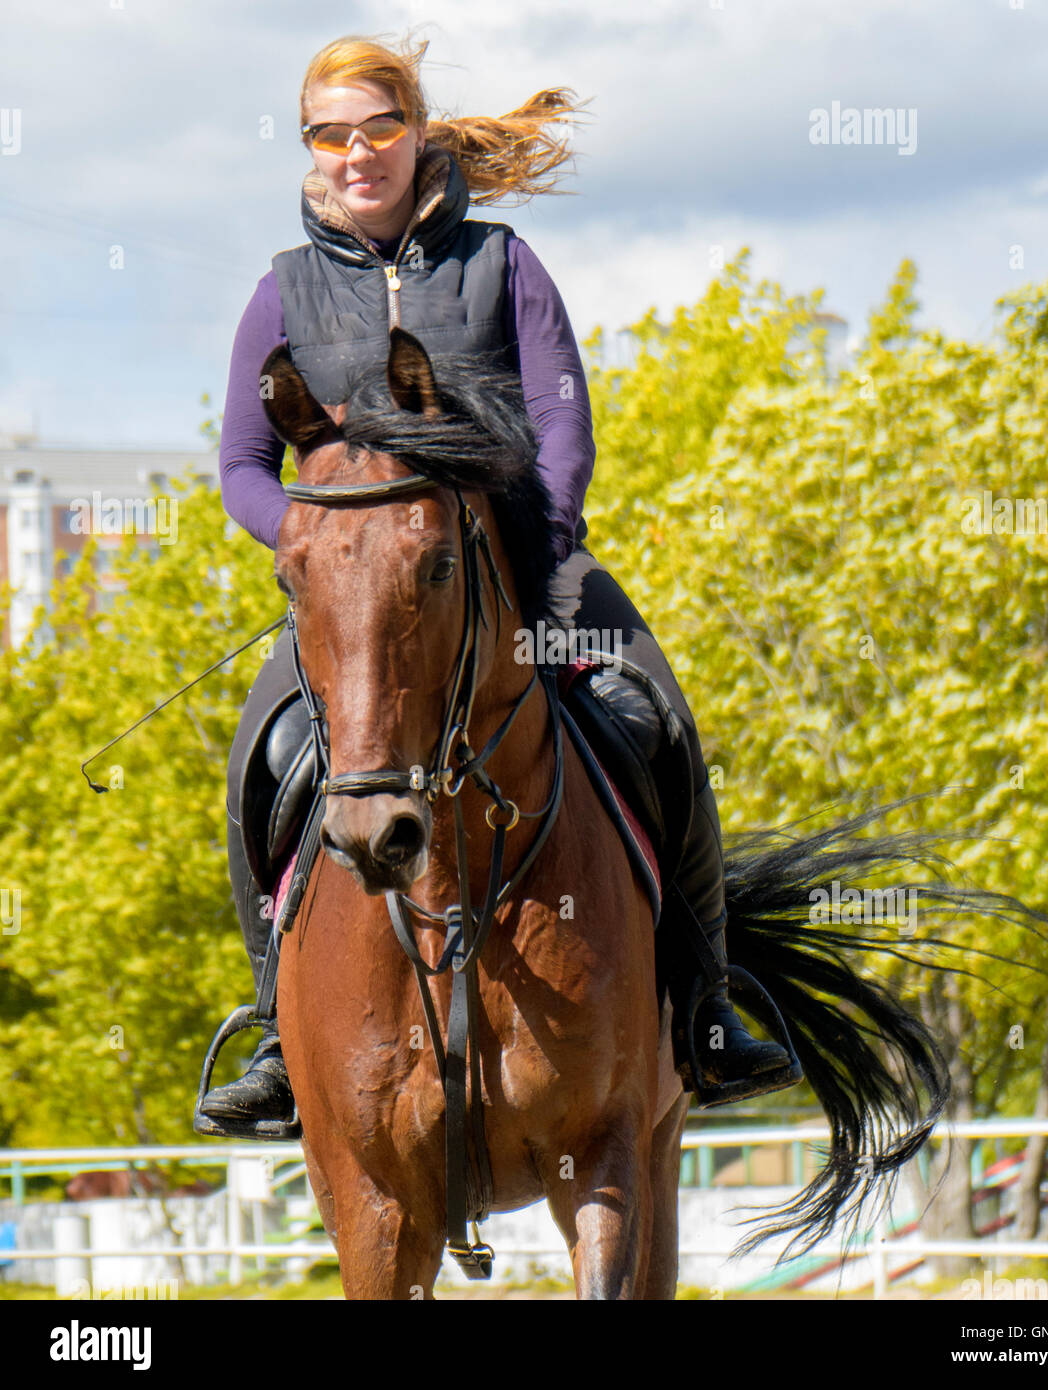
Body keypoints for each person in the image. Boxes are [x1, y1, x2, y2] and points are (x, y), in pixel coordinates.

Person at [200, 32, 796, 1128]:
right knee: (263, 761)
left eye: (377, 127)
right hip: (357, 603)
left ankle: (708, 1003)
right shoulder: (278, 294)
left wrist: (543, 548)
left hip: (526, 573)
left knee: (657, 716)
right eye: (330, 135)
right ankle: (279, 1034)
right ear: (311, 149)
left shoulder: (504, 264)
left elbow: (563, 426)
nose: (356, 153)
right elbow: (241, 462)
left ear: (415, 131)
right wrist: (313, 545)